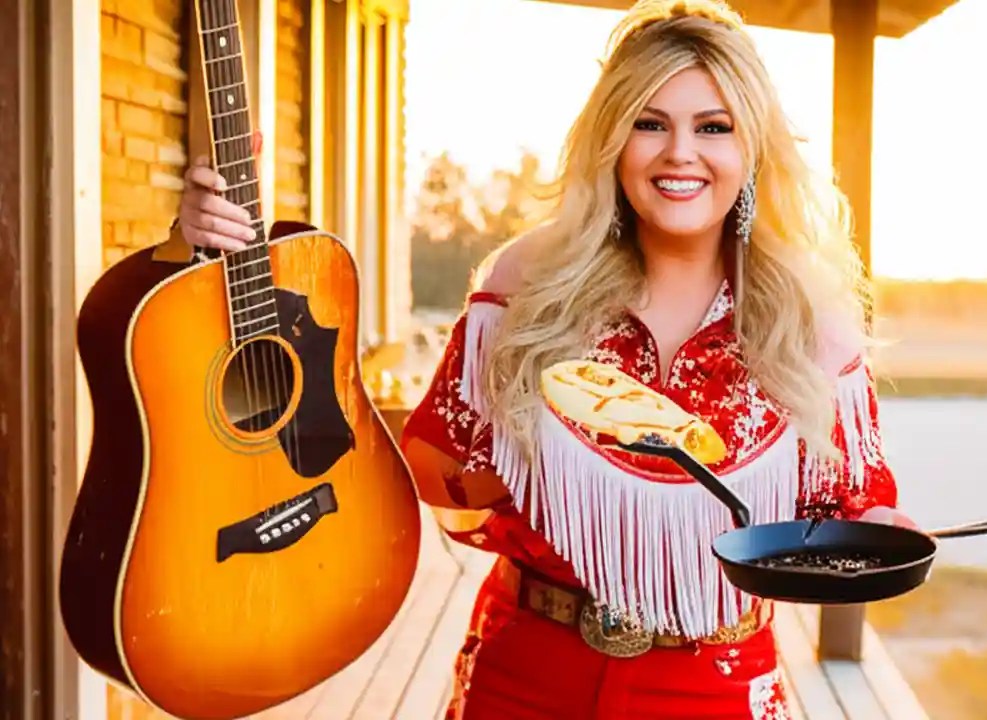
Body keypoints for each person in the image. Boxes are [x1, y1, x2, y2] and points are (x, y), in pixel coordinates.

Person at [174, 1, 914, 717]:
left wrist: (889, 531)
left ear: (752, 149)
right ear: (611, 142)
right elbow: (431, 459)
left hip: (713, 686)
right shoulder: (527, 283)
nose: (679, 152)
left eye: (712, 127)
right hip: (527, 666)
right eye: (648, 123)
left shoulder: (811, 320)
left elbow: (851, 505)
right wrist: (210, 254)